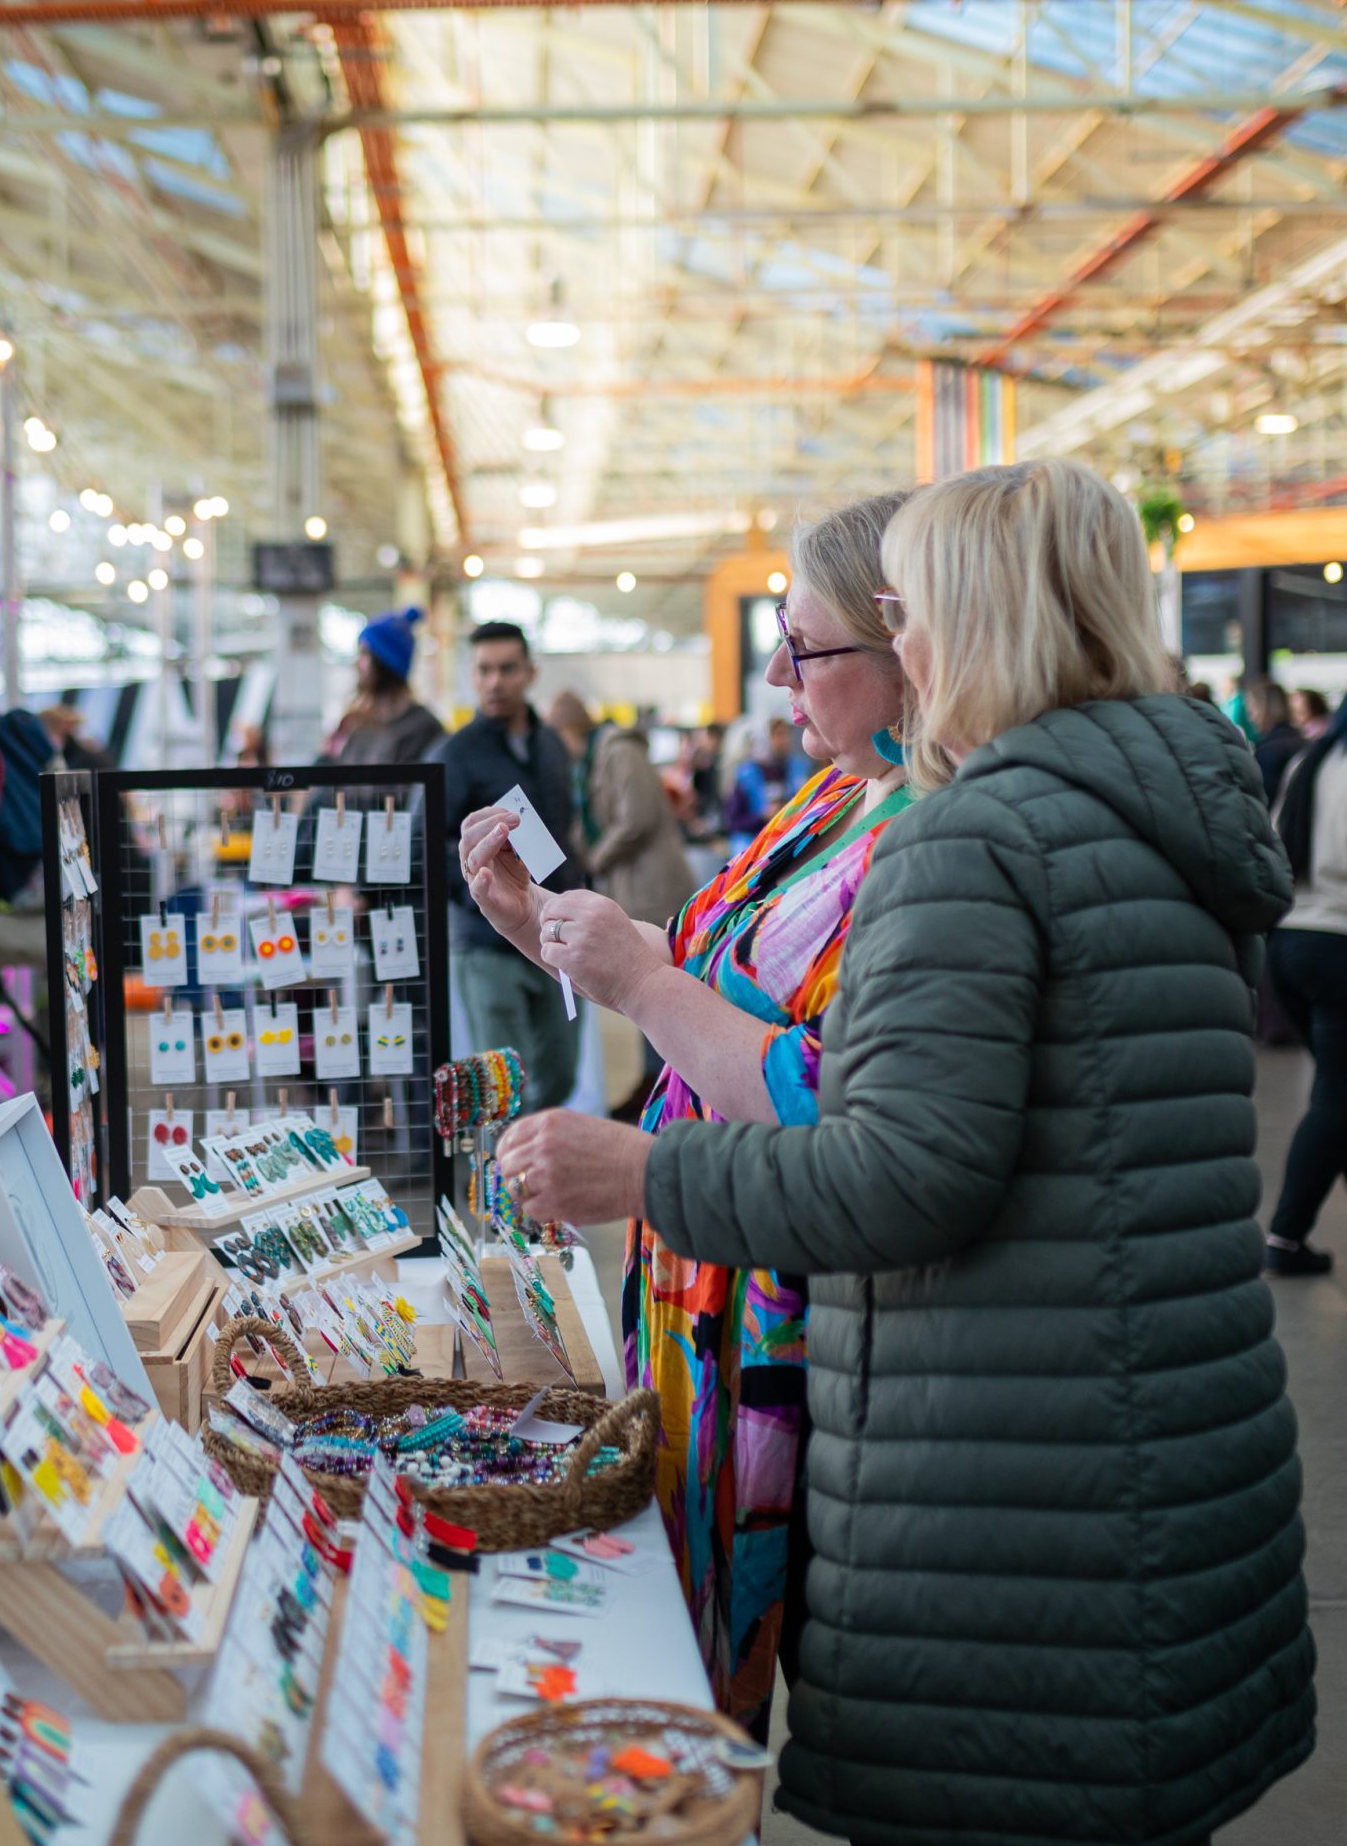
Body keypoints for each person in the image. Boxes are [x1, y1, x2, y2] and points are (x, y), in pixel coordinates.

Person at [497, 458, 1315, 1845]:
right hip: (1152, 1464)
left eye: (902, 607)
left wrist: (644, 1176)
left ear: (969, 618)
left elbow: (902, 1171)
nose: (900, 640)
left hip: (1005, 1487)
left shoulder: (972, 839)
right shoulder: (1147, 822)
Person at [460, 494, 915, 1731]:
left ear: (907, 642)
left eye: (805, 647)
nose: (777, 674)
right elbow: (719, 976)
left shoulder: (931, 840)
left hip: (781, 1312)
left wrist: (641, 1001)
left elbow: (829, 1093)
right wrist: (543, 930)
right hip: (701, 1291)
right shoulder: (839, 800)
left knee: (728, 1673)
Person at [443, 620, 582, 1113]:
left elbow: (565, 829)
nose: (495, 681)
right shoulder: (456, 754)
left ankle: (540, 1171)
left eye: (506, 669)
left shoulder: (551, 748)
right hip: (487, 945)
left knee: (561, 1071)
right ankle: (509, 1185)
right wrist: (481, 893)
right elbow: (432, 846)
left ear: (530, 672)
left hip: (555, 933)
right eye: (483, 670)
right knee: (504, 1090)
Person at [1263, 705, 1347, 1275]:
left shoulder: (1311, 762)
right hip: (1341, 942)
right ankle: (1286, 1237)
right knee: (1337, 1101)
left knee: (1343, 1095)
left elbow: (1271, 848)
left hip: (1291, 942)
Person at [544, 693, 696, 929]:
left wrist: (595, 859)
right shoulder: (587, 764)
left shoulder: (620, 751)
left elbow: (637, 819)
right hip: (630, 886)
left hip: (653, 887)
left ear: (569, 730)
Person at [323, 608, 445, 765]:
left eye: (365, 654)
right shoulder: (360, 725)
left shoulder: (422, 729)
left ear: (386, 662)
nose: (356, 663)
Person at [724, 715, 813, 851]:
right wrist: (762, 817)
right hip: (753, 844)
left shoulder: (798, 767)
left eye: (785, 734)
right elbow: (734, 822)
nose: (783, 741)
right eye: (777, 735)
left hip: (789, 840)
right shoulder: (746, 775)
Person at [1249, 678, 1308, 804]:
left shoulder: (1268, 751)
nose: (1250, 717)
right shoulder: (1303, 742)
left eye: (1252, 709)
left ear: (1263, 708)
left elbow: (1264, 800)